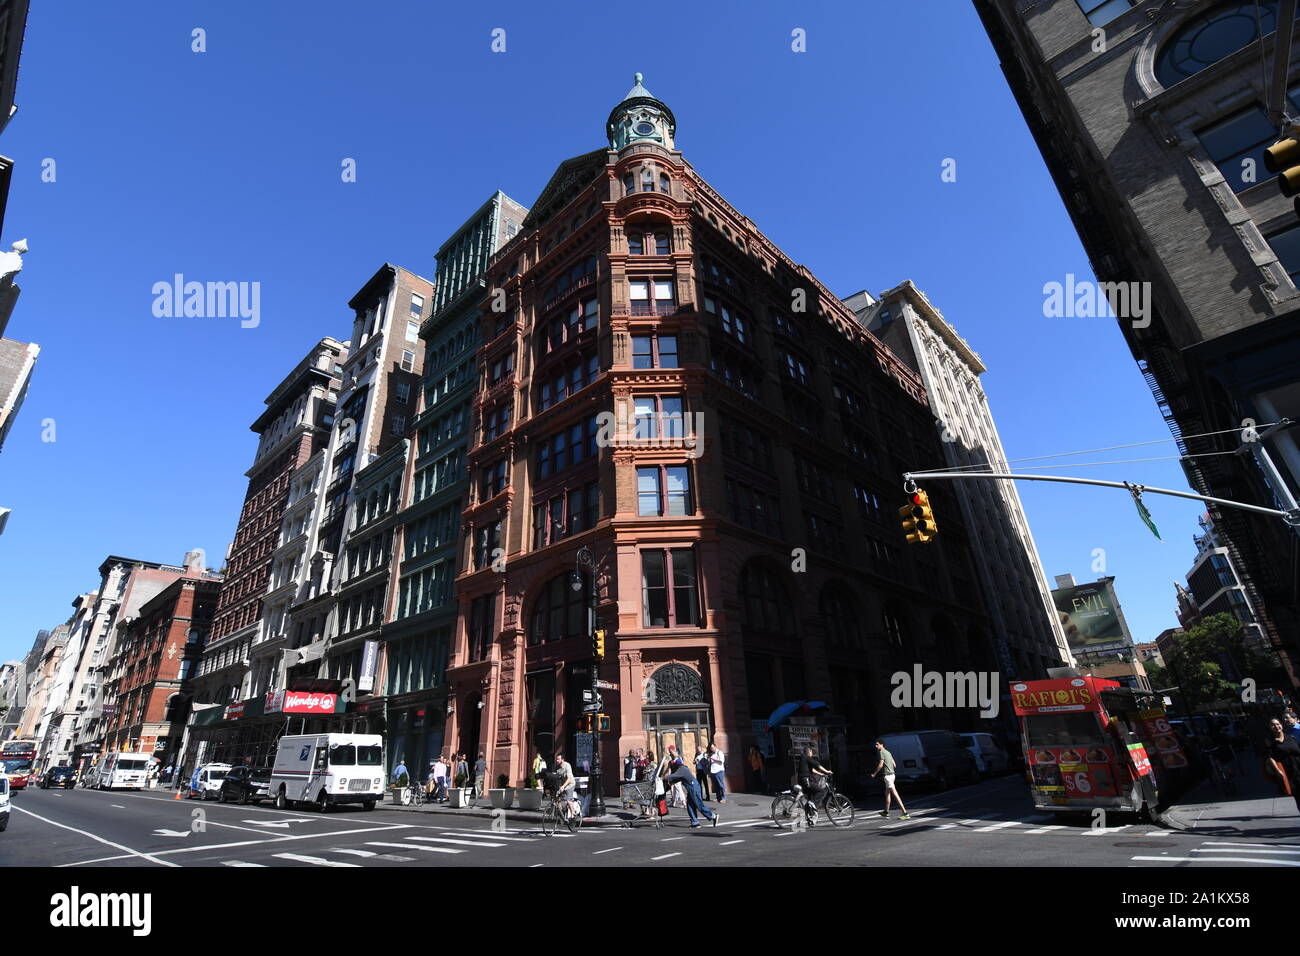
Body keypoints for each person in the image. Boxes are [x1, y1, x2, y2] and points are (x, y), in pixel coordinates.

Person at [665, 756, 717, 828]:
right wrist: (671, 783)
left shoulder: (682, 769)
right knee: (690, 805)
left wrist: (664, 777)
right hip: (691, 788)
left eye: (673, 765)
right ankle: (695, 823)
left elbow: (674, 776)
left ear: (677, 764)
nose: (672, 766)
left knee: (699, 805)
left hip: (693, 787)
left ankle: (713, 816)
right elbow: (678, 778)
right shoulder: (681, 769)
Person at [1264, 717, 1300, 813]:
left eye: (1277, 724)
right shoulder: (1271, 742)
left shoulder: (1291, 738)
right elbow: (1271, 757)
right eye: (1273, 724)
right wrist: (1278, 770)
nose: (1276, 726)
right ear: (1270, 727)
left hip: (1298, 767)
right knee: (1298, 796)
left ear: (1281, 725)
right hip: (1288, 772)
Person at [871, 738, 910, 820]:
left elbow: (881, 764)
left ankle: (905, 813)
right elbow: (894, 765)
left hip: (888, 776)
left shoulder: (881, 752)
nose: (876, 746)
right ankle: (886, 812)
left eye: (877, 744)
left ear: (882, 745)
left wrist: (874, 774)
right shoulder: (888, 752)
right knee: (887, 794)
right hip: (892, 775)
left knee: (895, 794)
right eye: (875, 744)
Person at [796, 745, 832, 816]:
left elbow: (812, 770)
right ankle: (812, 804)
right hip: (806, 781)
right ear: (809, 752)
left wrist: (820, 774)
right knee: (821, 791)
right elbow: (818, 765)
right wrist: (827, 771)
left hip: (802, 781)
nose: (812, 753)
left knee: (811, 795)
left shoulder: (803, 758)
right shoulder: (807, 758)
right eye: (811, 752)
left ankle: (809, 814)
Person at [552, 750, 579, 819]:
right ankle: (562, 814)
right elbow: (556, 777)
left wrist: (563, 786)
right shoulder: (556, 767)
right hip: (562, 785)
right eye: (556, 759)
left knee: (568, 799)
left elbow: (569, 778)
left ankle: (573, 814)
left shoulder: (567, 765)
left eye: (558, 759)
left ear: (562, 760)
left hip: (570, 784)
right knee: (557, 798)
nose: (557, 760)